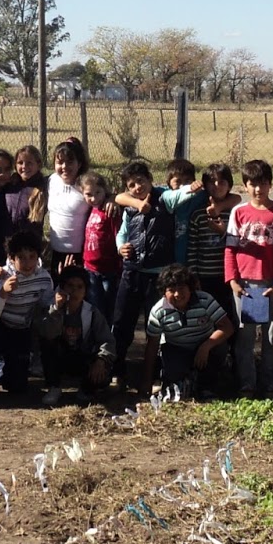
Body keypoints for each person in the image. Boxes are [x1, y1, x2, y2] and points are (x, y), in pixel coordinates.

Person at [112, 160, 205, 387]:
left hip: (158, 276)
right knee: (122, 322)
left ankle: (155, 374)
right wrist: (120, 246)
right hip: (132, 272)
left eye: (141, 181)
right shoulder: (130, 206)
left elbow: (178, 195)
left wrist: (189, 188)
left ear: (151, 180)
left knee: (157, 327)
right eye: (132, 184)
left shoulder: (163, 198)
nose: (137, 187)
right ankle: (117, 371)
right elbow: (123, 232)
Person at [224, 159, 273, 397]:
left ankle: (269, 382)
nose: (258, 189)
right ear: (245, 186)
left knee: (272, 335)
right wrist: (232, 280)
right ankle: (247, 383)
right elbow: (230, 248)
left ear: (270, 185)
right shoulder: (238, 212)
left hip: (272, 283)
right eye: (252, 184)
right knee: (245, 336)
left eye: (262, 184)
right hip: (245, 285)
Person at [0, 226, 55, 397]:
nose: (27, 263)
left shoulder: (44, 278)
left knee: (18, 386)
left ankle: (7, 373)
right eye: (21, 257)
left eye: (32, 257)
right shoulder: (3, 276)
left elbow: (45, 304)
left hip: (21, 327)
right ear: (11, 258)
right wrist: (3, 293)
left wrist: (57, 301)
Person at [142, 264, 233, 400]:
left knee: (220, 347)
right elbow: (152, 346)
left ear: (190, 288)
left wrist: (206, 346)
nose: (178, 294)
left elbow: (227, 327)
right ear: (163, 292)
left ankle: (207, 386)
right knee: (176, 380)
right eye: (172, 290)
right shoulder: (158, 311)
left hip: (205, 347)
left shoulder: (205, 300)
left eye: (181, 288)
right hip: (177, 349)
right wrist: (147, 381)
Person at [37, 265, 115, 406]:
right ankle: (54, 386)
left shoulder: (92, 312)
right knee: (48, 344)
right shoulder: (52, 308)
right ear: (62, 288)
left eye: (80, 287)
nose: (75, 291)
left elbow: (107, 340)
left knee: (103, 376)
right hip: (59, 357)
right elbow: (47, 334)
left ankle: (86, 389)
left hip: (82, 357)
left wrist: (101, 360)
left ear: (85, 291)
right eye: (70, 286)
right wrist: (56, 310)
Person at [188, 162, 242, 343]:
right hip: (206, 276)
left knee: (234, 317)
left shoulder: (236, 213)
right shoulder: (198, 215)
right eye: (212, 182)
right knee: (208, 318)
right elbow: (192, 249)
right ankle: (210, 360)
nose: (217, 186)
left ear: (230, 185)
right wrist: (194, 277)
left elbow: (241, 245)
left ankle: (234, 361)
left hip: (230, 276)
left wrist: (223, 232)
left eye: (222, 182)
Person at [79, 170, 123, 316]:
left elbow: (119, 237)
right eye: (88, 194)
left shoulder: (110, 211)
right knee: (95, 307)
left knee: (108, 308)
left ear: (105, 190)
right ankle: (96, 336)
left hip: (108, 269)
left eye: (98, 192)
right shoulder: (90, 210)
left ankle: (108, 336)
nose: (94, 198)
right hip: (90, 268)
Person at [46, 137, 91, 271]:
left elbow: (106, 196)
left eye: (70, 162)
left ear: (79, 163)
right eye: (60, 162)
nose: (64, 167)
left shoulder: (86, 185)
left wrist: (111, 199)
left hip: (78, 253)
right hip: (55, 250)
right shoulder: (51, 180)